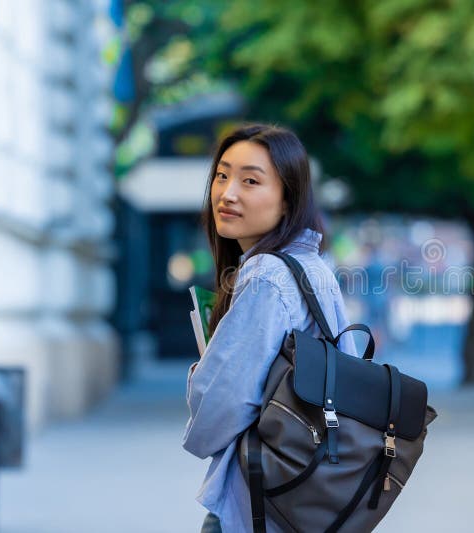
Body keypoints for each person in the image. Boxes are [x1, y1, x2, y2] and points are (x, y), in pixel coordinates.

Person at [182, 124, 357, 533]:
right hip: (304, 495)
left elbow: (219, 406)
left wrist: (198, 377)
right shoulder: (314, 266)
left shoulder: (265, 275)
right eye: (222, 175)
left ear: (286, 201)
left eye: (250, 181)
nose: (227, 193)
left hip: (257, 502)